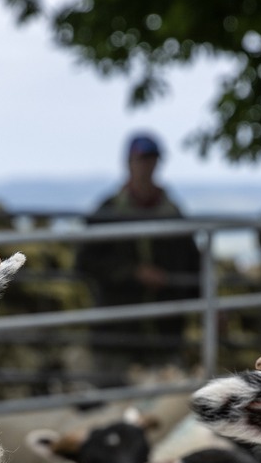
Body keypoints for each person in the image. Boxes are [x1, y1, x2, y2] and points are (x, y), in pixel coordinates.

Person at [76, 135, 204, 380]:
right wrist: (132, 273)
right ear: (129, 163)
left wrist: (210, 306)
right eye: (142, 160)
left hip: (163, 336)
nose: (147, 166)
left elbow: (192, 264)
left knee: (164, 399)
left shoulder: (173, 212)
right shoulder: (108, 211)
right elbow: (85, 262)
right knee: (113, 399)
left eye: (152, 160)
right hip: (117, 337)